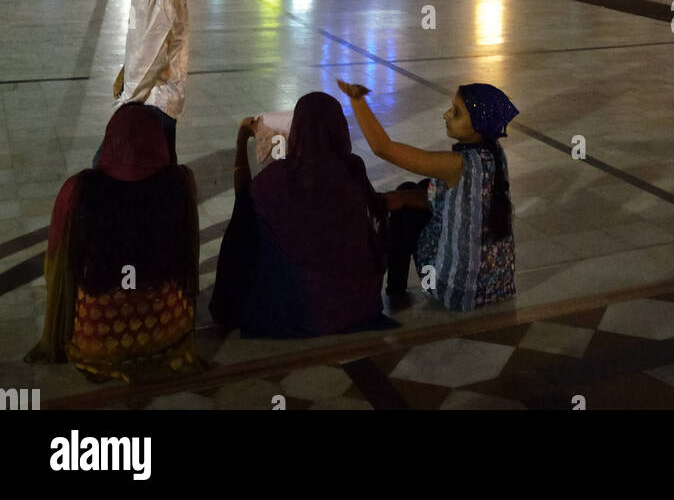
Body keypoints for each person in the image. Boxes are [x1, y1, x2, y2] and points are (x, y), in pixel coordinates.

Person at [27, 104, 200, 384]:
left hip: (98, 338)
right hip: (167, 330)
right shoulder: (181, 184)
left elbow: (57, 267)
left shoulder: (78, 190)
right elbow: (188, 261)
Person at [209, 93, 387, 338]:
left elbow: (243, 199)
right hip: (357, 305)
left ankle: (225, 309)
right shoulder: (352, 169)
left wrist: (242, 142)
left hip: (299, 311)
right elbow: (375, 214)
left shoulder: (279, 178)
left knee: (244, 225)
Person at [338, 79, 518, 311]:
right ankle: (396, 287)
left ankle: (395, 293)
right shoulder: (494, 153)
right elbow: (460, 203)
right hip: (496, 285)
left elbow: (384, 148)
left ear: (477, 126)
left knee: (406, 213)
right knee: (417, 189)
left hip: (456, 289)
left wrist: (357, 100)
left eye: (456, 113)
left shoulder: (458, 164)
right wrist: (404, 198)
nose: (446, 115)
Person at [112, 0, 189, 163]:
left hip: (156, 99)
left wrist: (126, 102)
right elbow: (141, 41)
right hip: (146, 92)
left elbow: (154, 55)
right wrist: (125, 70)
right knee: (159, 167)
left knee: (154, 167)